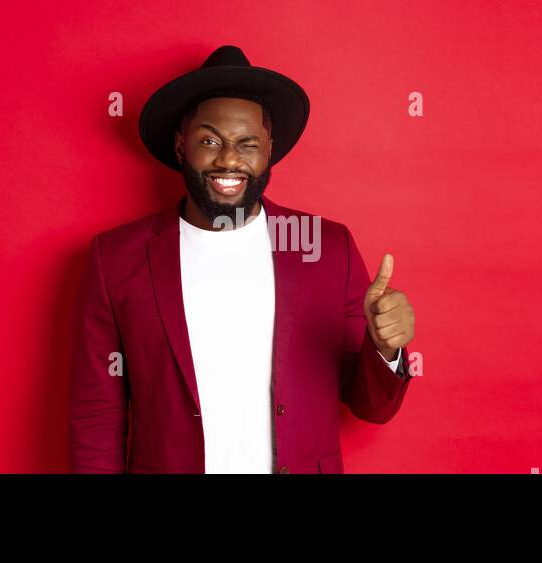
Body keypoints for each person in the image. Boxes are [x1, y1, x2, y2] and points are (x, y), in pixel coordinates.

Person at [69, 45, 416, 474]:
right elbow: (97, 418)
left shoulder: (325, 247)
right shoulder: (115, 259)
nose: (229, 159)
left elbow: (370, 407)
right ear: (181, 147)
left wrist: (385, 350)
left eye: (247, 143)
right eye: (209, 140)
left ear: (269, 149)